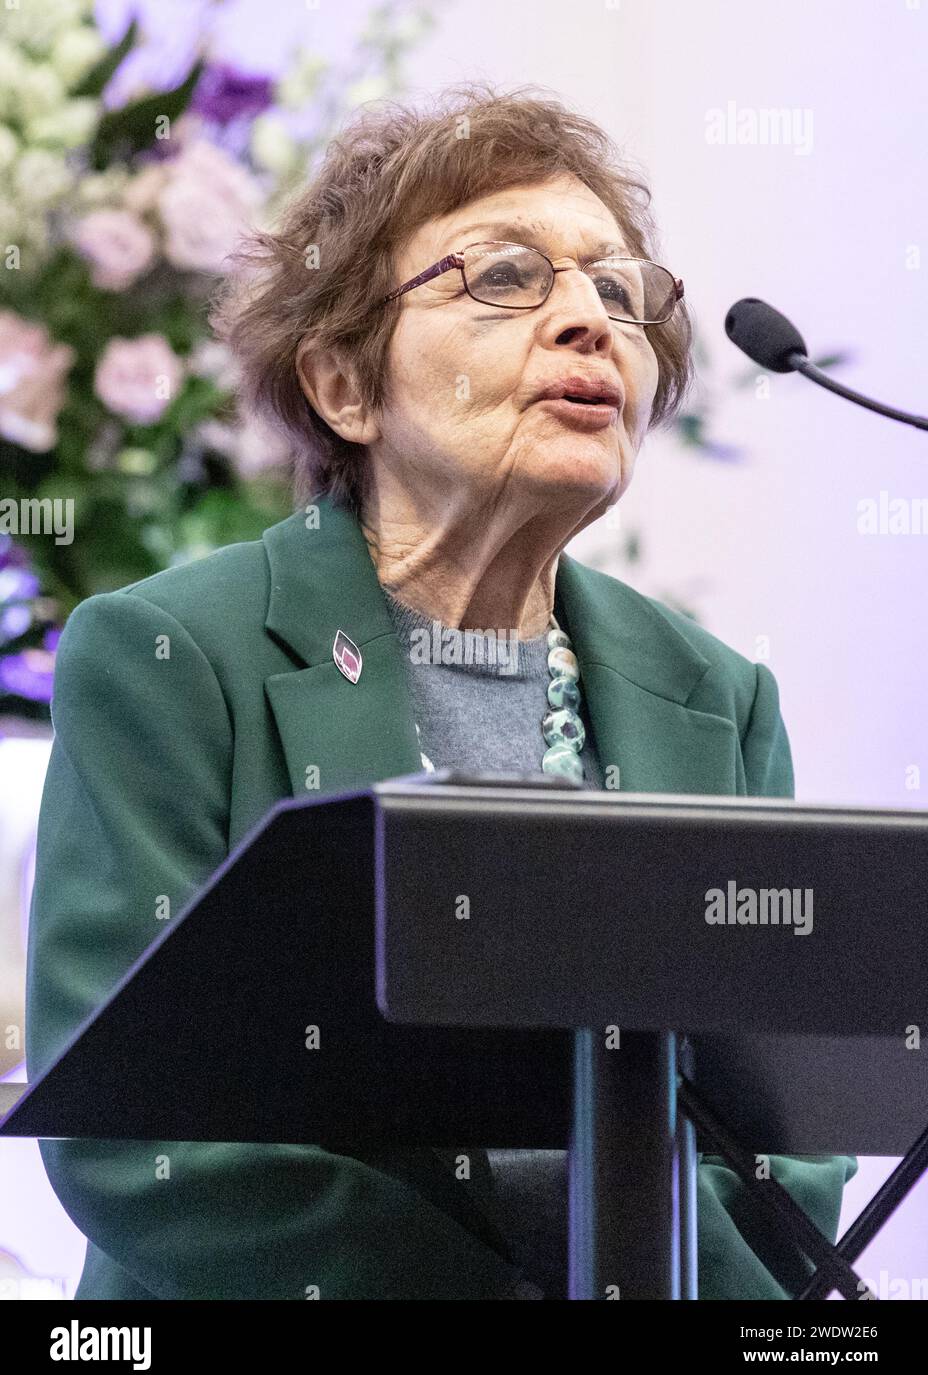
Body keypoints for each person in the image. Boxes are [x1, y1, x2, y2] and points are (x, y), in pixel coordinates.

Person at [26, 82, 855, 1300]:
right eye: (509, 277)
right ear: (344, 389)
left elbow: (794, 1144)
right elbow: (132, 1131)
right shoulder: (166, 657)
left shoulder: (716, 695)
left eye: (616, 291)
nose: (590, 321)